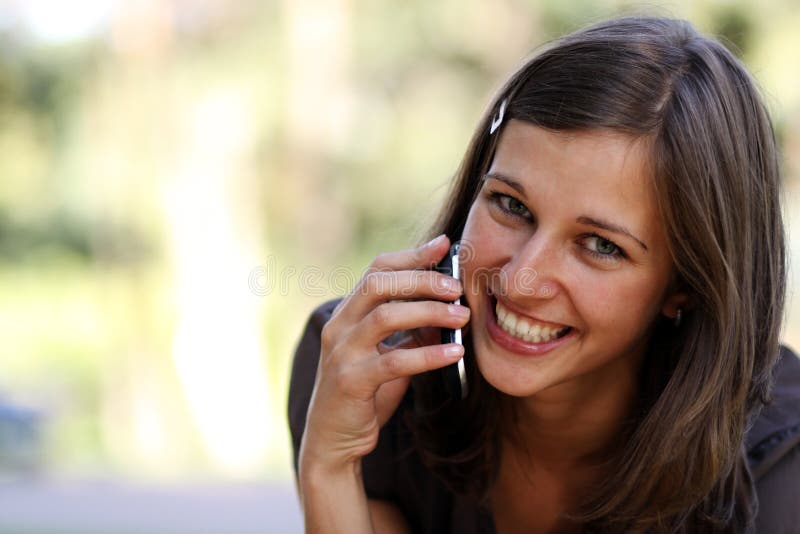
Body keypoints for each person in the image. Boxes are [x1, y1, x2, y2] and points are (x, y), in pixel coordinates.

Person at [288, 16, 800, 533]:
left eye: (600, 245)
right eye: (511, 205)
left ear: (686, 285)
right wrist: (330, 465)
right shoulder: (358, 374)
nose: (518, 279)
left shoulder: (781, 471)